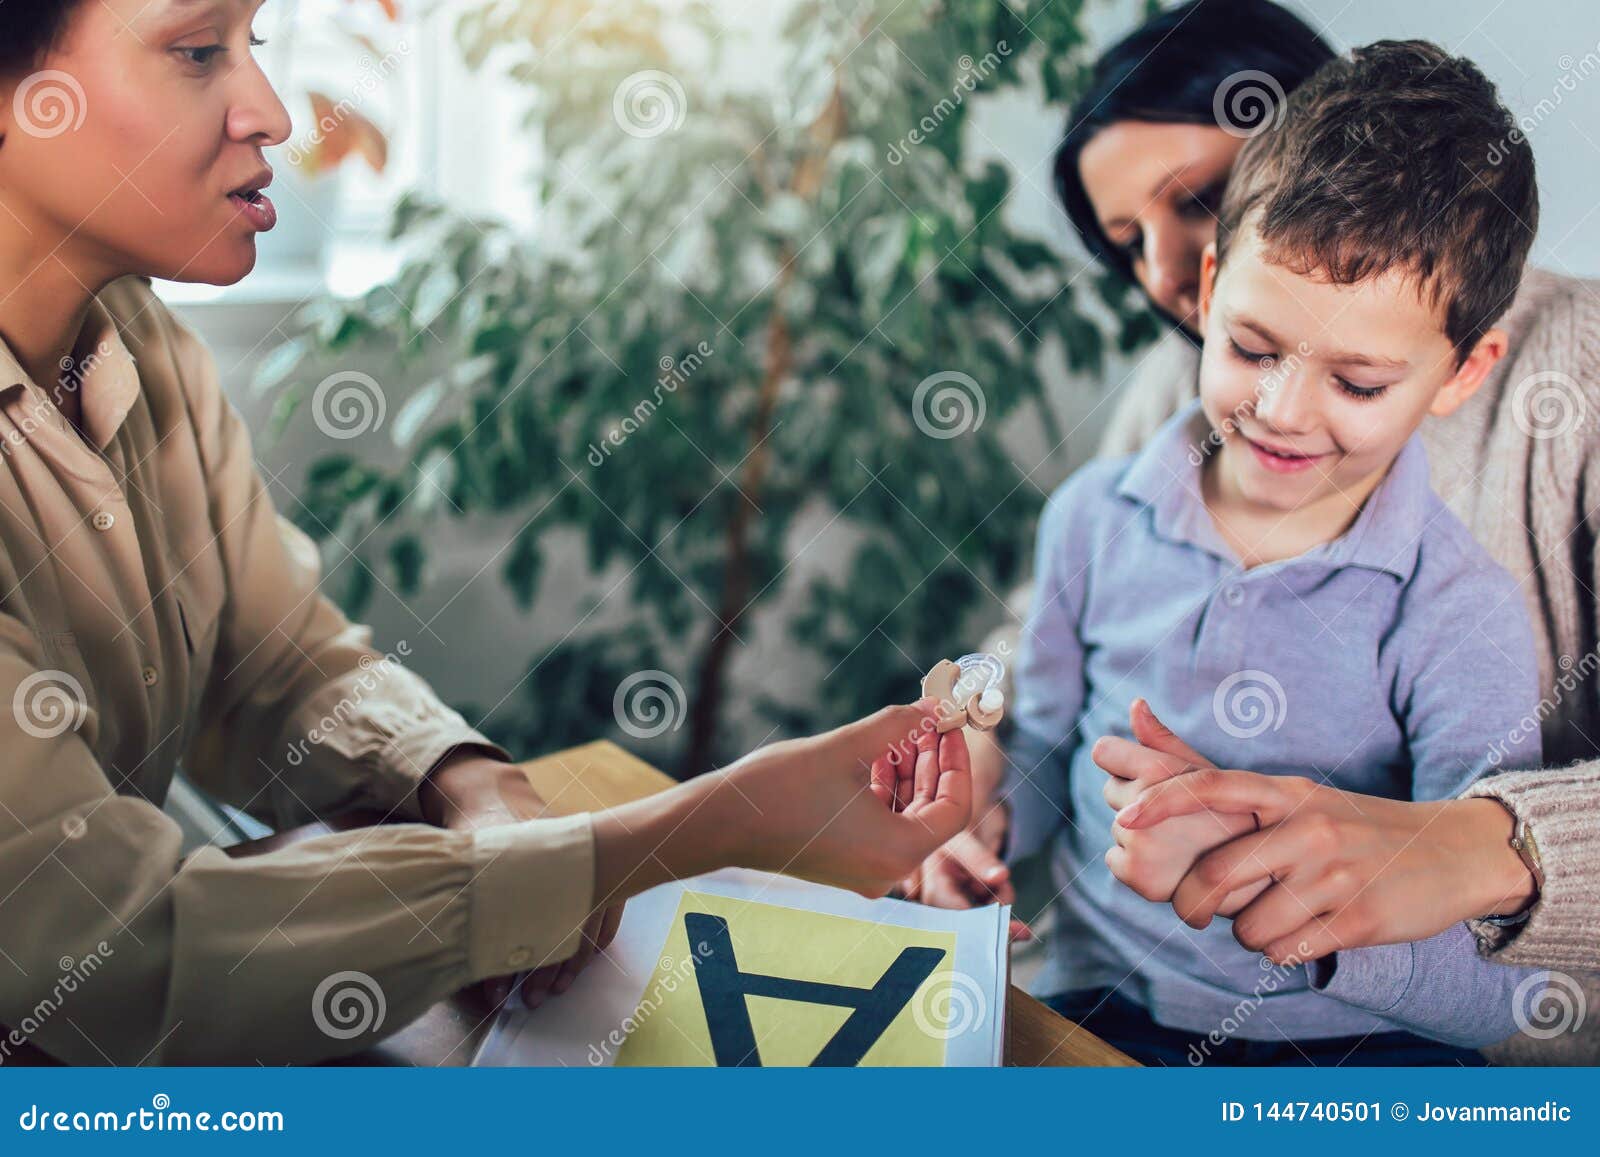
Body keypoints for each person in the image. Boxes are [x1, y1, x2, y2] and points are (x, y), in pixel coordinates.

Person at [0, 0, 973, 1065]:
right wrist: (696, 828)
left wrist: (475, 786)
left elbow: (278, 660)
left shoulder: (140, 341)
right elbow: (114, 957)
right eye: (196, 53)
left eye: (255, 47)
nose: (272, 114)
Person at [908, 0, 1600, 1064]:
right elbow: (1041, 676)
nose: (1162, 273)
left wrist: (1343, 878)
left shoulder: (1475, 566)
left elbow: (1477, 979)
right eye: (1126, 241)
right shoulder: (1137, 449)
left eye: (1190, 201)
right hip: (1102, 999)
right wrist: (975, 776)